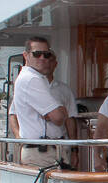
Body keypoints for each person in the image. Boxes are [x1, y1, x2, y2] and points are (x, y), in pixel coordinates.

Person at [9, 36, 68, 169]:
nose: (42, 58)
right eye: (37, 54)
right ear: (26, 55)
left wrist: (56, 113)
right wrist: (59, 112)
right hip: (41, 154)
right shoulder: (31, 79)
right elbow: (59, 118)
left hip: (43, 151)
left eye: (46, 54)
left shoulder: (29, 78)